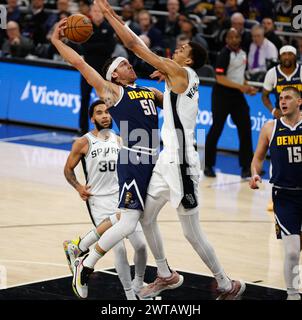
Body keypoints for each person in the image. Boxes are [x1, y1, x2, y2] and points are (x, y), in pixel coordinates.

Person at [74, 0, 246, 300]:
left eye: (182, 50)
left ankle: (224, 282)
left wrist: (111, 14)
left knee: (191, 232)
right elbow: (161, 90)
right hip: (166, 159)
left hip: (182, 161)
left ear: (189, 60)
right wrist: (163, 80)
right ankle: (164, 273)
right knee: (143, 217)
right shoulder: (175, 77)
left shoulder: (183, 74)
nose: (176, 50)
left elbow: (134, 44)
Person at [51, 17, 163, 299]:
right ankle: (89, 264)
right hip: (135, 160)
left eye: (128, 62)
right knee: (128, 227)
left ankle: (139, 284)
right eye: (123, 64)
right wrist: (56, 41)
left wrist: (171, 76)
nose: (129, 64)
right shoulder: (113, 92)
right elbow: (80, 63)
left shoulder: (148, 90)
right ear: (114, 75)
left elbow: (175, 100)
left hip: (153, 160)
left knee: (142, 233)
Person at [63, 100, 148, 300]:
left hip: (121, 198)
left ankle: (80, 246)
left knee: (142, 246)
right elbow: (67, 169)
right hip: (98, 200)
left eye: (107, 112)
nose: (105, 116)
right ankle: (130, 295)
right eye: (99, 113)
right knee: (118, 248)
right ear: (92, 118)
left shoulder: (119, 140)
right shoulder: (83, 142)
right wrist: (78, 187)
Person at [249, 86, 302, 301]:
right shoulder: (270, 127)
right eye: (280, 98)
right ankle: (292, 294)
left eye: (288, 97)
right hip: (284, 196)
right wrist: (254, 174)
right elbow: (258, 158)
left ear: (299, 102)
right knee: (291, 251)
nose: (283, 101)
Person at [204, 28, 256, 178]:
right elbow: (220, 78)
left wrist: (248, 86)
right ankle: (208, 165)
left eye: (236, 37)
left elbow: (239, 75)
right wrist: (242, 87)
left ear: (240, 39)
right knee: (217, 127)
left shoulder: (243, 53)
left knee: (245, 128)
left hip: (237, 95)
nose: (234, 39)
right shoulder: (224, 54)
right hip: (221, 94)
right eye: (231, 37)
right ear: (227, 40)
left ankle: (247, 167)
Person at [78, 4, 116, 135]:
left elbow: (109, 48)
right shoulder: (85, 27)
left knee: (108, 100)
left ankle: (107, 130)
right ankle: (82, 130)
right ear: (90, 13)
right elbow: (84, 47)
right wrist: (100, 45)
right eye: (94, 11)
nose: (97, 13)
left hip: (104, 71)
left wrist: (93, 46)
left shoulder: (108, 27)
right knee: (84, 99)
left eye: (99, 11)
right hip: (87, 70)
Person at [262, 45, 302, 118]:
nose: (287, 57)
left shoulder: (301, 71)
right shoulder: (272, 73)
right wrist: (273, 110)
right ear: (279, 57)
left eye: (290, 54)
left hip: (299, 115)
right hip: (281, 115)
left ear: (296, 56)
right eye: (284, 54)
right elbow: (264, 96)